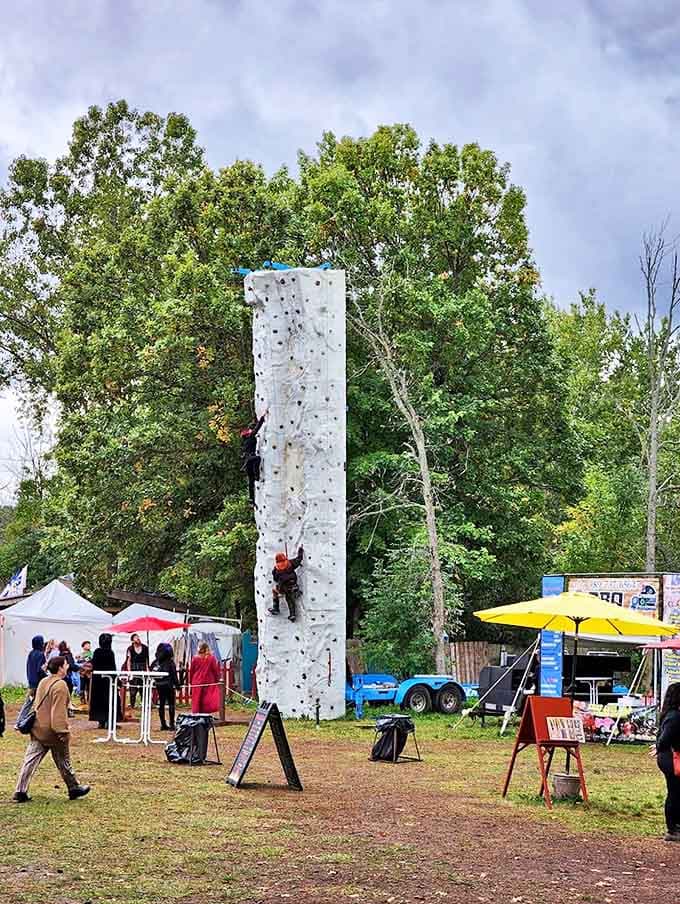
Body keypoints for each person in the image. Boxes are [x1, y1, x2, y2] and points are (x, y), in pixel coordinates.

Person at [13, 656, 90, 803]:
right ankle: (73, 788)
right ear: (61, 668)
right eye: (66, 664)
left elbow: (37, 705)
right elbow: (58, 713)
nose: (68, 666)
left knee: (30, 761)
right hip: (53, 732)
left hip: (38, 729)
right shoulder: (60, 686)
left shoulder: (43, 681)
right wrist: (62, 732)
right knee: (64, 761)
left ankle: (20, 790)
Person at [654, 681, 680, 842]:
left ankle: (675, 826)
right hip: (671, 758)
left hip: (669, 756)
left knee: (676, 792)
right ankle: (673, 828)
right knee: (675, 792)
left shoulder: (670, 714)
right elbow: (663, 740)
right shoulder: (674, 717)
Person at [89, 633, 120, 729]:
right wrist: (117, 681)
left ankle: (101, 721)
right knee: (109, 700)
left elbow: (94, 665)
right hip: (108, 681)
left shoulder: (97, 652)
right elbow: (113, 667)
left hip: (97, 681)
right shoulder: (110, 653)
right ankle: (109, 721)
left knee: (99, 701)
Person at [269, 546, 304, 621]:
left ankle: (276, 608)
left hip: (283, 588)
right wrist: (300, 550)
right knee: (289, 599)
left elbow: (275, 579)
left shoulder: (276, 568)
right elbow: (299, 559)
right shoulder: (290, 563)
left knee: (275, 591)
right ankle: (292, 614)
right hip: (293, 584)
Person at [152, 643, 180, 731]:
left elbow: (152, 671)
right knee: (171, 704)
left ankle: (163, 724)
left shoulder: (155, 662)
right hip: (168, 685)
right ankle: (171, 724)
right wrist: (178, 686)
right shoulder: (170, 663)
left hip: (159, 685)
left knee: (161, 704)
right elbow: (174, 676)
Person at [240, 410, 266, 504]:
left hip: (247, 462)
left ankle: (251, 499)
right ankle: (257, 475)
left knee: (250, 482)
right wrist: (262, 418)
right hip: (251, 459)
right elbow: (257, 428)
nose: (251, 431)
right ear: (248, 434)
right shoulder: (251, 437)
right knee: (258, 459)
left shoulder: (244, 443)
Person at [189, 642, 221, 714]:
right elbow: (215, 670)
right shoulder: (211, 658)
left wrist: (191, 681)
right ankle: (205, 714)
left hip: (197, 681)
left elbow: (192, 671)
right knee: (206, 699)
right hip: (208, 681)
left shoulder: (195, 658)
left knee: (197, 700)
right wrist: (217, 680)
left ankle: (196, 715)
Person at [124, 633, 150, 708]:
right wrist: (129, 672)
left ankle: (144, 704)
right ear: (132, 640)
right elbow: (128, 660)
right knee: (133, 689)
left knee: (143, 688)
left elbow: (147, 660)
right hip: (133, 669)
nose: (138, 638)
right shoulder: (130, 649)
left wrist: (147, 671)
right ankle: (132, 704)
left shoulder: (145, 648)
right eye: (135, 637)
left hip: (142, 670)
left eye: (138, 637)